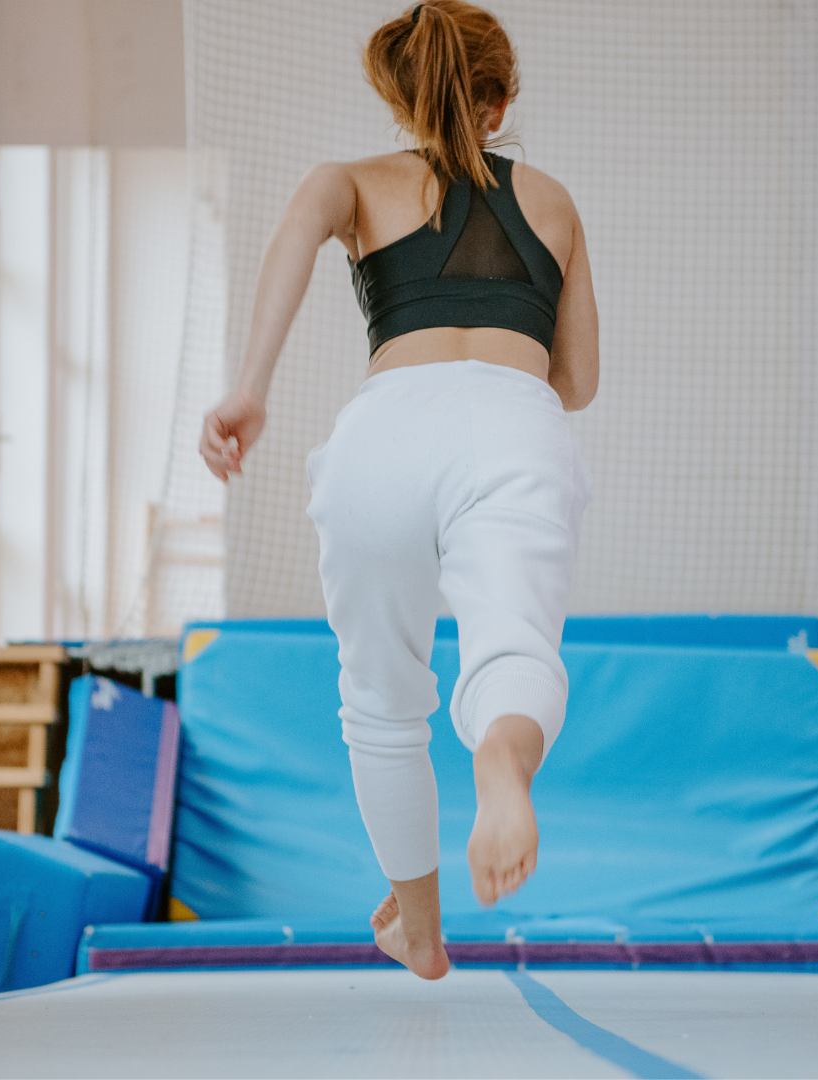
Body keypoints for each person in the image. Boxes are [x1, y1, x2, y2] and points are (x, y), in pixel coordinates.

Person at [198, 0, 598, 981]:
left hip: (382, 435)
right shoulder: (550, 201)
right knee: (510, 642)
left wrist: (248, 388)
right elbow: (576, 382)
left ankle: (419, 929)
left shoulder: (347, 182)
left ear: (401, 94)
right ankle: (500, 766)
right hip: (513, 421)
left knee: (380, 698)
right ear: (500, 102)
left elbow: (291, 249)